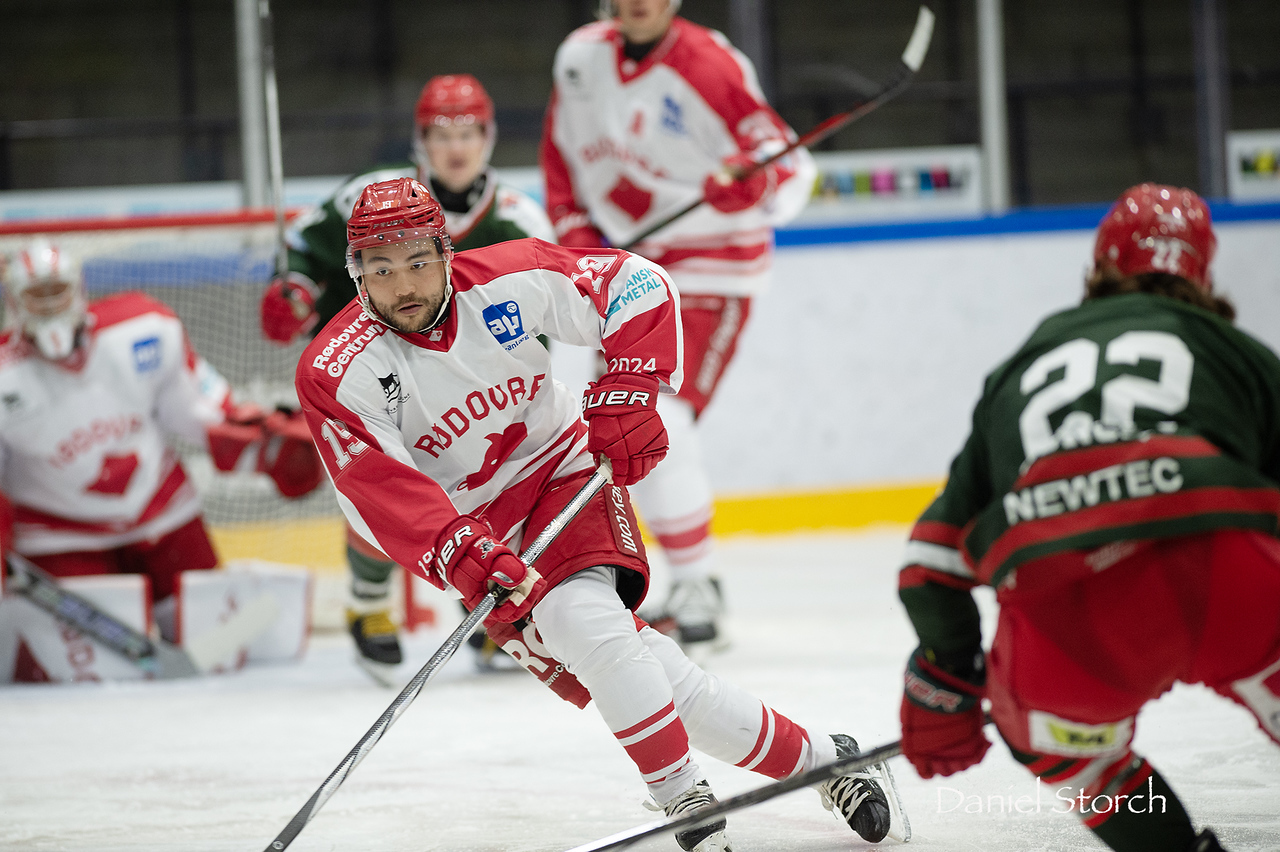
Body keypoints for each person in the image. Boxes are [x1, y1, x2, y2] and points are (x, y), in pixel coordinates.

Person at [295, 176, 901, 851]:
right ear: (356, 273)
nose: (403, 285)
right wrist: (459, 550)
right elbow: (376, 488)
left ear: (445, 251)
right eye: (381, 269)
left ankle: (685, 803)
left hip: (563, 474)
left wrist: (630, 388)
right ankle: (826, 758)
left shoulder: (506, 277)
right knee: (651, 674)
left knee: (580, 621)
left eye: (417, 262)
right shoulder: (336, 369)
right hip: (479, 533)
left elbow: (634, 283)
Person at [895, 184, 1280, 852]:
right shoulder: (1236, 352)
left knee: (1065, 752)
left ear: (1101, 265)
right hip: (1229, 576)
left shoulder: (1022, 367)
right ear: (1202, 274)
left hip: (1070, 613)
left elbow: (930, 562)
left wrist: (946, 673)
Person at [540, 0, 816, 652]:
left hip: (713, 263)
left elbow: (787, 163)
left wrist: (748, 183)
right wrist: (577, 234)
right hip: (632, 267)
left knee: (655, 412)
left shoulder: (709, 64)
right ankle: (681, 581)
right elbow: (559, 159)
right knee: (619, 423)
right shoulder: (579, 59)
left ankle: (697, 585)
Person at [260, 73, 555, 675]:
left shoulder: (520, 218)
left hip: (472, 380)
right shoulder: (371, 197)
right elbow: (304, 247)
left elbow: (541, 321)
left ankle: (484, 605)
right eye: (441, 134)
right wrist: (296, 287)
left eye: (468, 133)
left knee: (485, 483)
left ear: (489, 138)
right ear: (421, 140)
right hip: (376, 369)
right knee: (384, 485)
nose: (455, 147)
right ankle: (369, 603)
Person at [0, 239, 320, 640]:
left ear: (78, 289)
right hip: (61, 537)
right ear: (14, 302)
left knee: (216, 644)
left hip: (164, 515)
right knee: (86, 665)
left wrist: (262, 444)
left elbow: (196, 410)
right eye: (36, 295)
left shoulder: (143, 330)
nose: (48, 305)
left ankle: (253, 619)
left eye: (57, 291)